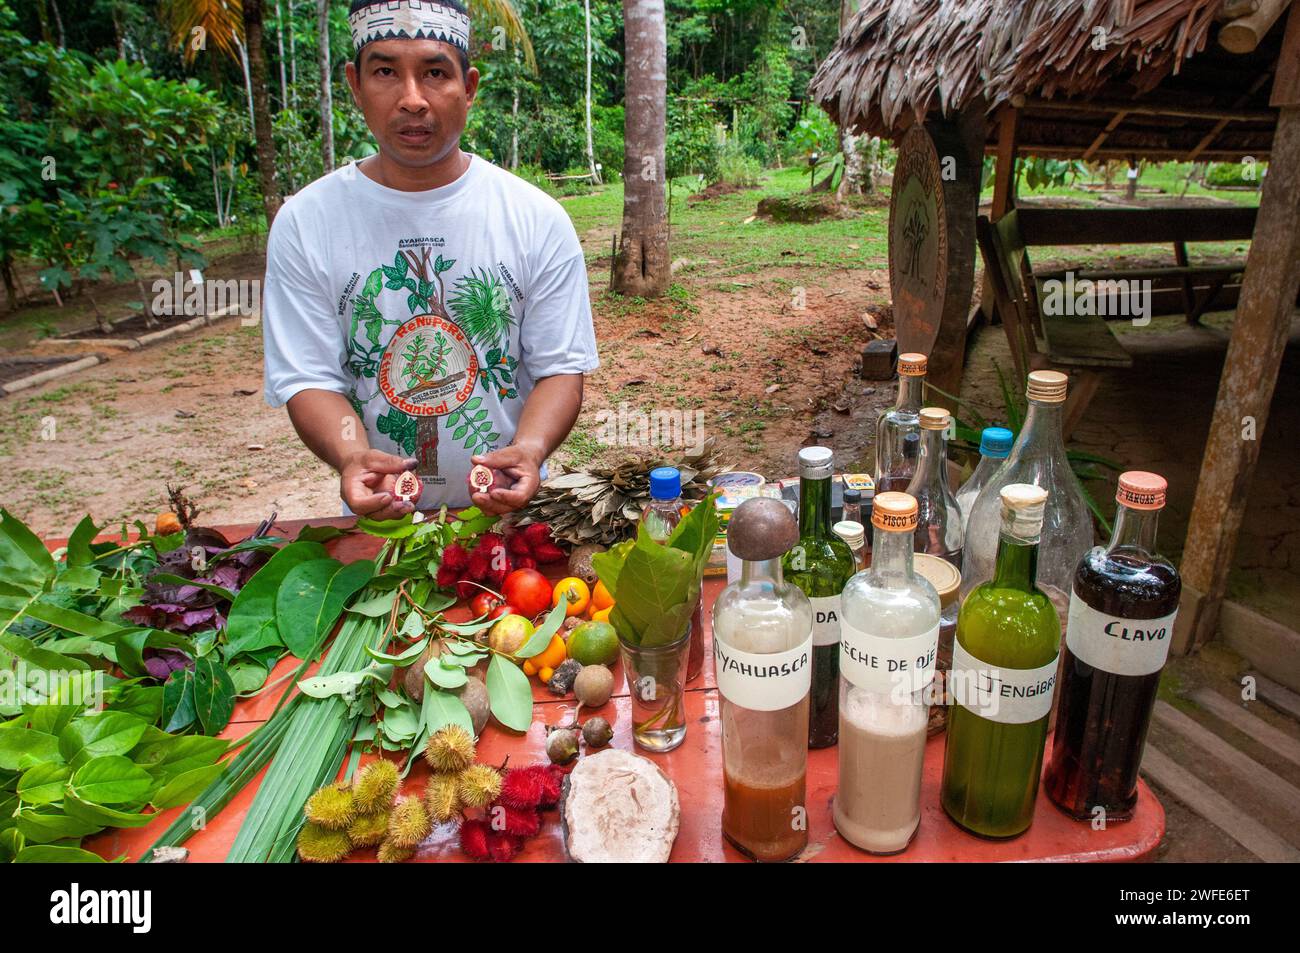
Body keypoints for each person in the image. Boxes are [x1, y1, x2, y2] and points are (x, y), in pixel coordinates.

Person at [262, 0, 598, 519]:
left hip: (511, 519)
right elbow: (309, 377)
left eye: (435, 73)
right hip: (381, 526)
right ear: (355, 85)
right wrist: (352, 456)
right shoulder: (306, 222)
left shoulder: (536, 218)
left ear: (469, 87)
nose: (412, 99)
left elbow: (560, 368)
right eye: (385, 72)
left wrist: (529, 450)